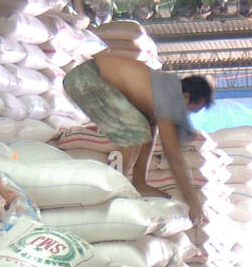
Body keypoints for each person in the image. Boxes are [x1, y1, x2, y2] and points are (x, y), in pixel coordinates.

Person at [61, 54, 215, 249]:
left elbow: (159, 136)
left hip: (94, 78)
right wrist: (193, 202)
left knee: (149, 125)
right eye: (191, 110)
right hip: (87, 79)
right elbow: (173, 155)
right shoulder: (170, 98)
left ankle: (139, 183)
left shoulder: (164, 92)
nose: (186, 115)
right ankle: (118, 187)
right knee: (135, 128)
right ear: (186, 97)